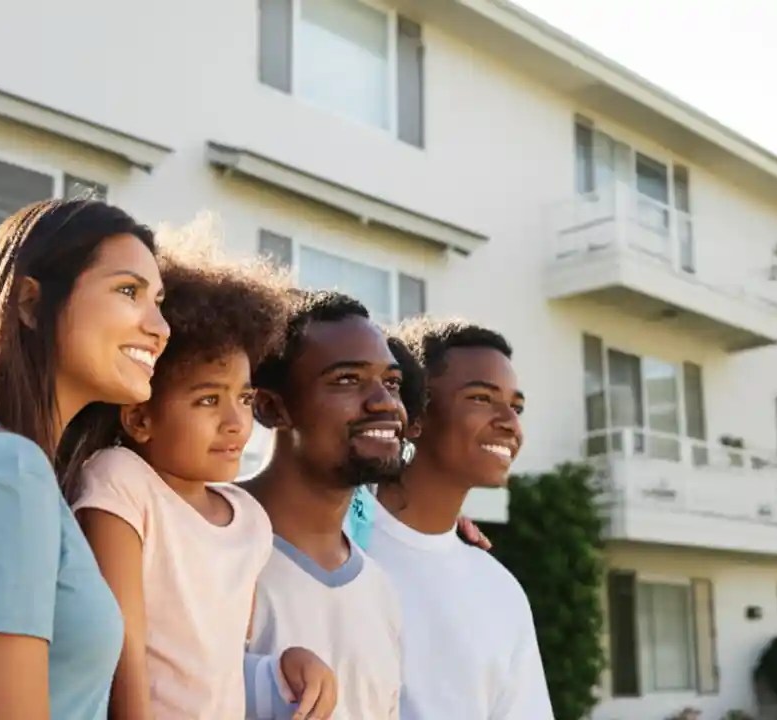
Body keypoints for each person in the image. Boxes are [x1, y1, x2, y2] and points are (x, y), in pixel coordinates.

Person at [0, 199, 165, 719]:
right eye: (128, 291)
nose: (160, 327)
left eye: (160, 300)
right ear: (29, 302)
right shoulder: (0, 469)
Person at [69, 224, 336, 720]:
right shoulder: (121, 480)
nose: (236, 422)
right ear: (140, 417)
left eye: (245, 398)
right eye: (208, 399)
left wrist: (287, 664)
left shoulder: (250, 520)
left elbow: (220, 661)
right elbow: (118, 644)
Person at [373, 318, 554, 720]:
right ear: (415, 413)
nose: (510, 422)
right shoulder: (335, 541)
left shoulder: (500, 590)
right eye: (480, 398)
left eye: (516, 406)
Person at [242, 291, 407, 719]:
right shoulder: (204, 540)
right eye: (348, 380)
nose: (385, 403)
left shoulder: (380, 591)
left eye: (392, 383)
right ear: (271, 407)